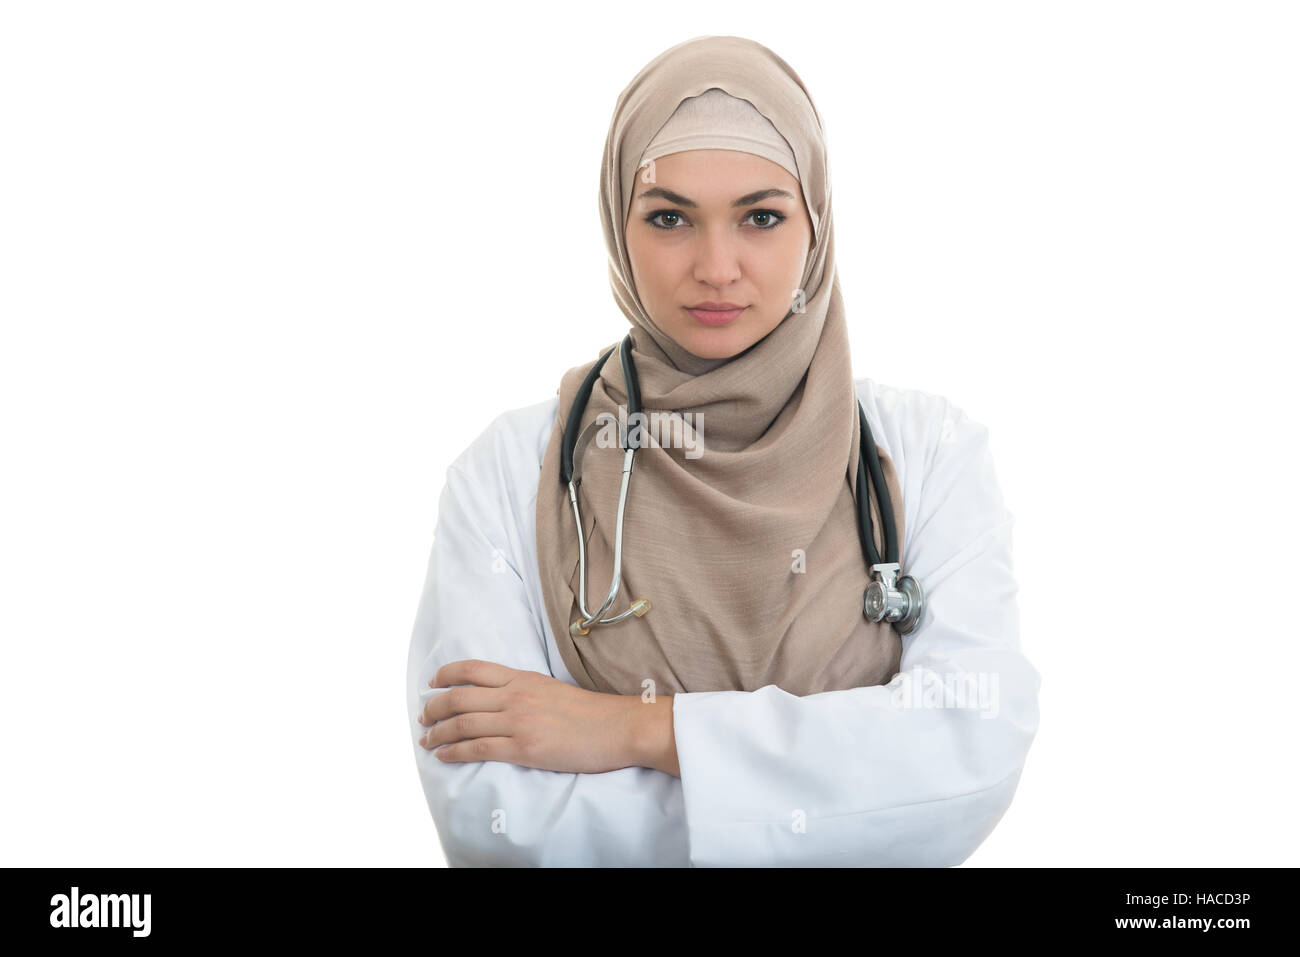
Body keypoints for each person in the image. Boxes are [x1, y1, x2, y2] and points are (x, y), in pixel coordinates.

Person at [406, 34, 1041, 867]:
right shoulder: (510, 469)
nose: (715, 267)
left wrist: (634, 728)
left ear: (815, 224)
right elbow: (497, 817)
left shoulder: (927, 455)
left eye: (762, 216)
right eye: (669, 217)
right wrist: (832, 780)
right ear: (616, 227)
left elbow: (970, 749)